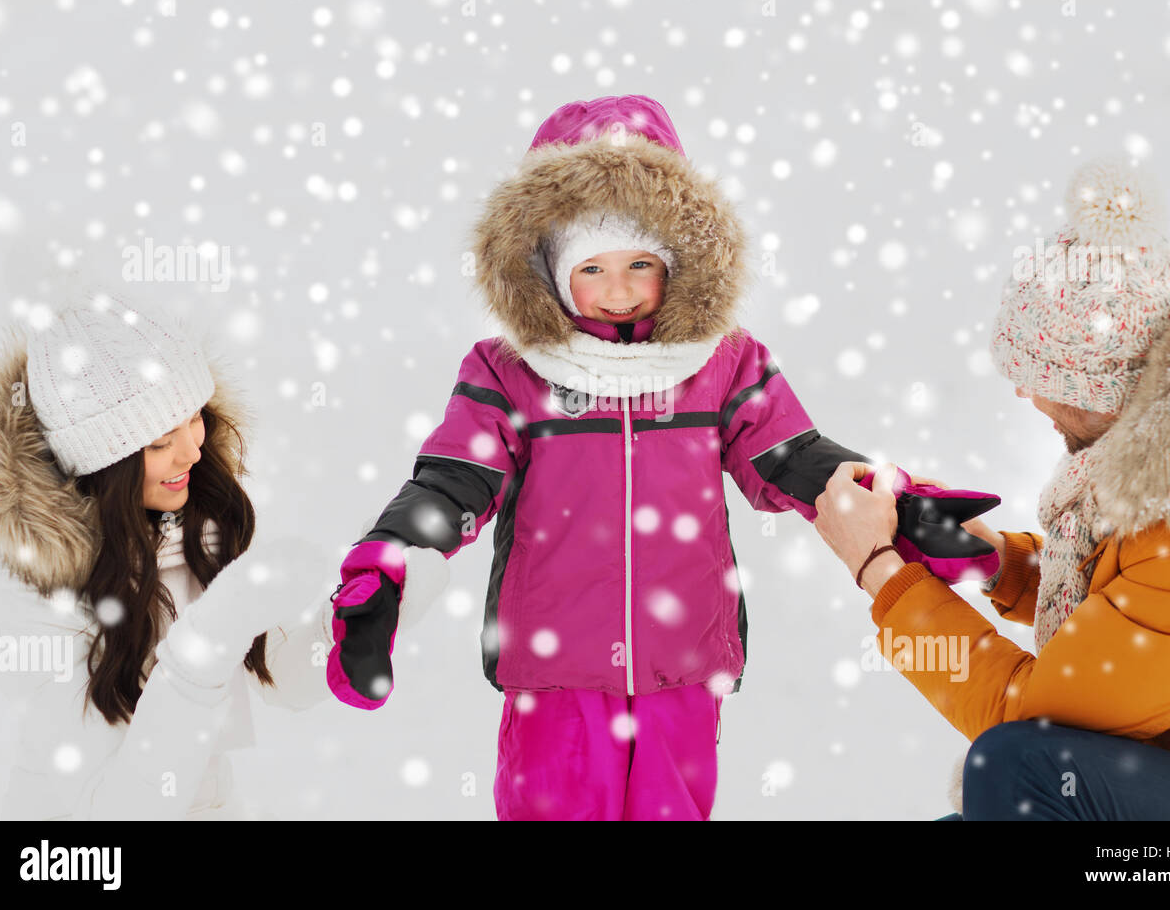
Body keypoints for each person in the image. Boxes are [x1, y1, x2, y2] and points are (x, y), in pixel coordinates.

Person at [323, 94, 895, 821]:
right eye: (591, 267)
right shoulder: (513, 370)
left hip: (681, 671)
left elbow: (792, 457)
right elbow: (454, 478)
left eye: (640, 263)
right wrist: (389, 567)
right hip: (557, 678)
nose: (618, 291)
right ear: (551, 268)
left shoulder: (720, 362)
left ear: (678, 260)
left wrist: (894, 505)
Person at [814, 157, 1170, 820]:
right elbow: (1129, 613)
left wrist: (880, 573)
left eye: (1045, 378)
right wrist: (998, 562)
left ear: (1109, 391)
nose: (1026, 394)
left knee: (1012, 769)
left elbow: (1027, 717)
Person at [0, 289, 339, 819]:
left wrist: (355, 622)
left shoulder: (194, 529)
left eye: (194, 417)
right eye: (161, 438)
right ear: (105, 463)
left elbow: (278, 673)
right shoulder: (36, 592)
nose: (192, 449)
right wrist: (204, 646)